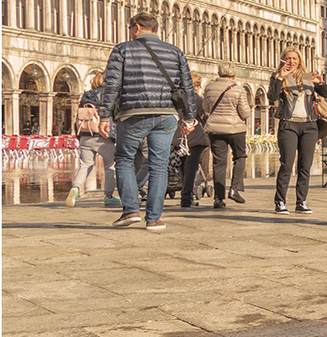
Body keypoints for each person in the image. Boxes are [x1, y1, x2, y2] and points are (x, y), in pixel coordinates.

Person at [97, 12, 197, 231]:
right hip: (166, 114)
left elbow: (111, 85)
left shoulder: (122, 49)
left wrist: (105, 115)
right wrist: (189, 117)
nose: (129, 32)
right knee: (159, 165)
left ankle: (131, 210)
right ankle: (153, 219)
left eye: (129, 27)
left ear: (137, 28)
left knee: (124, 158)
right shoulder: (175, 52)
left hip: (133, 113)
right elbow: (187, 86)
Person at [268, 49, 327, 214]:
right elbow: (272, 96)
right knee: (286, 164)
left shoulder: (307, 76)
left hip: (309, 125)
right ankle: (280, 201)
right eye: (287, 58)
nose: (291, 61)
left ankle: (301, 201)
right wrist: (280, 78)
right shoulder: (277, 77)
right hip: (289, 124)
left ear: (299, 60)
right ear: (282, 60)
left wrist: (320, 82)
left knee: (305, 166)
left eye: (294, 58)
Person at [201, 66, 252, 209]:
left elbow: (206, 108)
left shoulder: (209, 88)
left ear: (218, 73)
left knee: (219, 163)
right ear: (234, 74)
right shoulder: (238, 89)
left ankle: (218, 198)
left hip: (215, 129)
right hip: (235, 129)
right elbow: (245, 113)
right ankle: (234, 189)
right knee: (240, 157)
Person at [67, 70, 116, 208]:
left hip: (85, 134)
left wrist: (78, 135)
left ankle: (75, 188)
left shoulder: (86, 96)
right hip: (103, 135)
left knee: (85, 165)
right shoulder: (107, 95)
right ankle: (108, 196)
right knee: (109, 167)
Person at [179, 71, 213, 206]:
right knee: (191, 168)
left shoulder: (177, 100)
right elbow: (206, 118)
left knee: (182, 168)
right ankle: (187, 197)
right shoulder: (199, 101)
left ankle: (185, 194)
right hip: (196, 138)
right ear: (197, 86)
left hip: (179, 138)